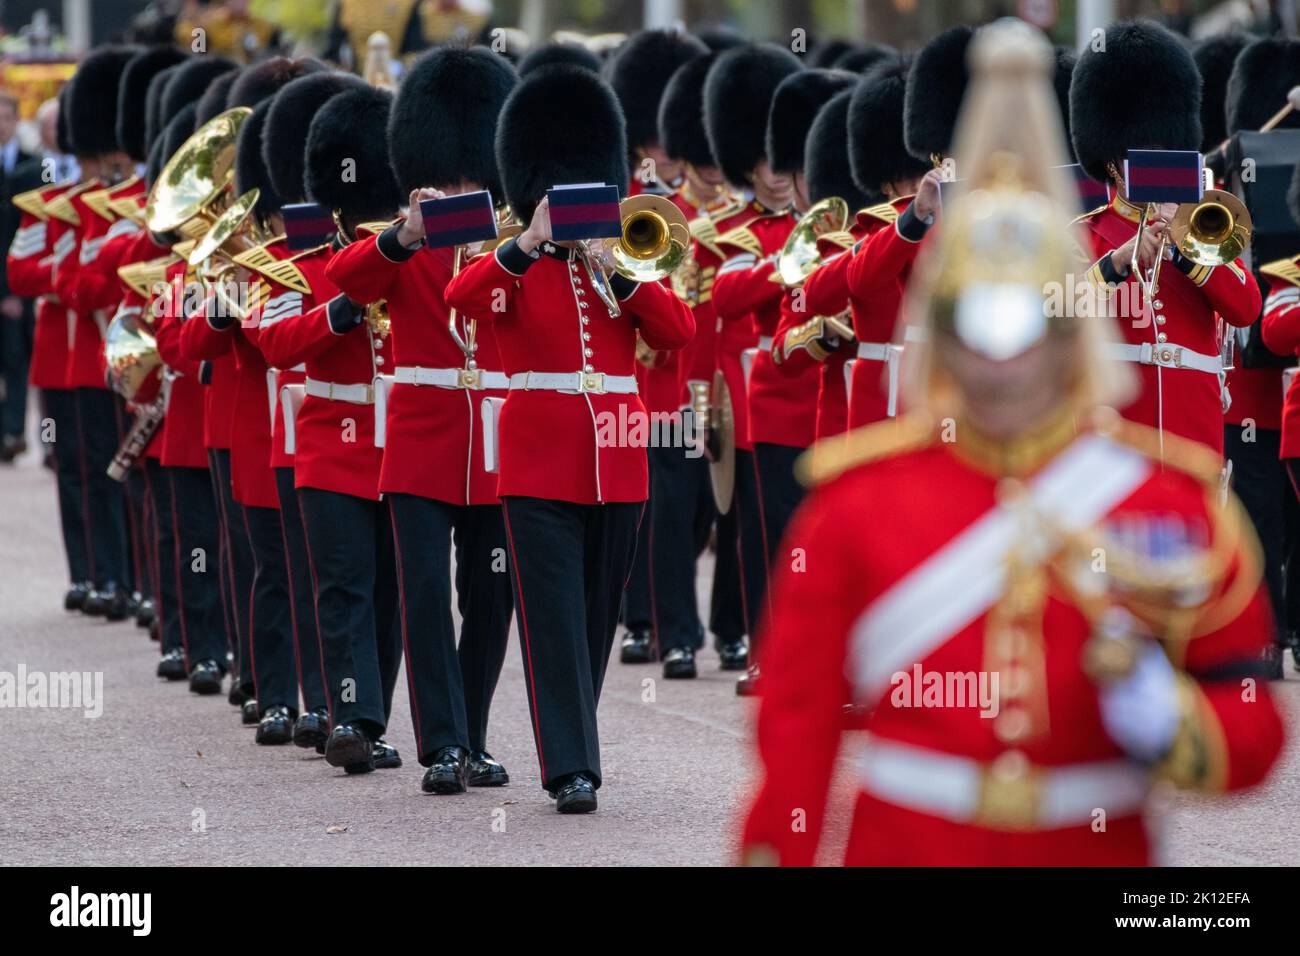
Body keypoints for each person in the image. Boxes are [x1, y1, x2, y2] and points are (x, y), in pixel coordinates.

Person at [740, 20, 1284, 867]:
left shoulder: (1163, 502)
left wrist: (1171, 718)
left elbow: (1247, 724)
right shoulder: (861, 506)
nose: (1003, 358)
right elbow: (796, 736)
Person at [443, 64, 694, 813]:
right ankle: (571, 769)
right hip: (536, 461)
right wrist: (530, 241)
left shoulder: (622, 259)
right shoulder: (511, 263)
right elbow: (464, 300)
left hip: (617, 460)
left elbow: (677, 332)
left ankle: (571, 745)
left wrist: (619, 272)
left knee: (593, 622)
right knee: (550, 622)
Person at [325, 45, 518, 793]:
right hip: (420, 433)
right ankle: (439, 744)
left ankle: (472, 735)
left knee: (491, 593)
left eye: (475, 171)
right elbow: (346, 280)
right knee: (426, 597)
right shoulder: (402, 236)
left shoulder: (515, 239)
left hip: (495, 439)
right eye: (453, 170)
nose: (465, 184)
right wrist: (404, 234)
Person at [254, 84, 404, 776]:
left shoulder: (409, 261)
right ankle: (351, 715)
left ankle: (372, 718)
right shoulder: (298, 265)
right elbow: (276, 342)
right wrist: (339, 313)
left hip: (401, 444)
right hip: (329, 442)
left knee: (391, 592)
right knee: (343, 586)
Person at [1070, 19, 1261, 458]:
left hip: (1193, 423)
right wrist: (1116, 263)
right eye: (1137, 149)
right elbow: (1054, 313)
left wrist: (1186, 247)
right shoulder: (1085, 234)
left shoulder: (1198, 223)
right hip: (1116, 427)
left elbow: (1246, 307)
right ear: (1111, 160)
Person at [604, 29, 710, 677]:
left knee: (685, 508)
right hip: (635, 380)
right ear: (646, 141)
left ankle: (672, 623)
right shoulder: (623, 202)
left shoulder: (698, 207)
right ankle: (653, 625)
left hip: (683, 378)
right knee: (645, 507)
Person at [703, 42, 803, 695]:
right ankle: (766, 647)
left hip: (835, 400)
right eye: (764, 160)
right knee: (764, 536)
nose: (775, 172)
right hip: (765, 398)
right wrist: (791, 266)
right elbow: (728, 296)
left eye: (786, 161)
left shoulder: (843, 227)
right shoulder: (737, 231)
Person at [1, 90, 37, 461]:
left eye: (6, 119)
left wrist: (11, 290)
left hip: (16, 283)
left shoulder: (32, 165)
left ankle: (14, 432)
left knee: (16, 359)